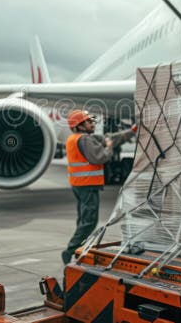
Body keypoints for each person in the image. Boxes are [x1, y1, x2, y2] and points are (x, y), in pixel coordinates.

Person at [61, 110, 134, 264]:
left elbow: (111, 138)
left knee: (83, 220)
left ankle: (79, 249)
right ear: (79, 126)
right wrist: (109, 147)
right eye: (88, 122)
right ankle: (71, 251)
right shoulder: (85, 140)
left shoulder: (76, 138)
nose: (92, 123)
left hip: (79, 185)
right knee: (89, 222)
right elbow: (100, 157)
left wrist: (131, 131)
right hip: (87, 185)